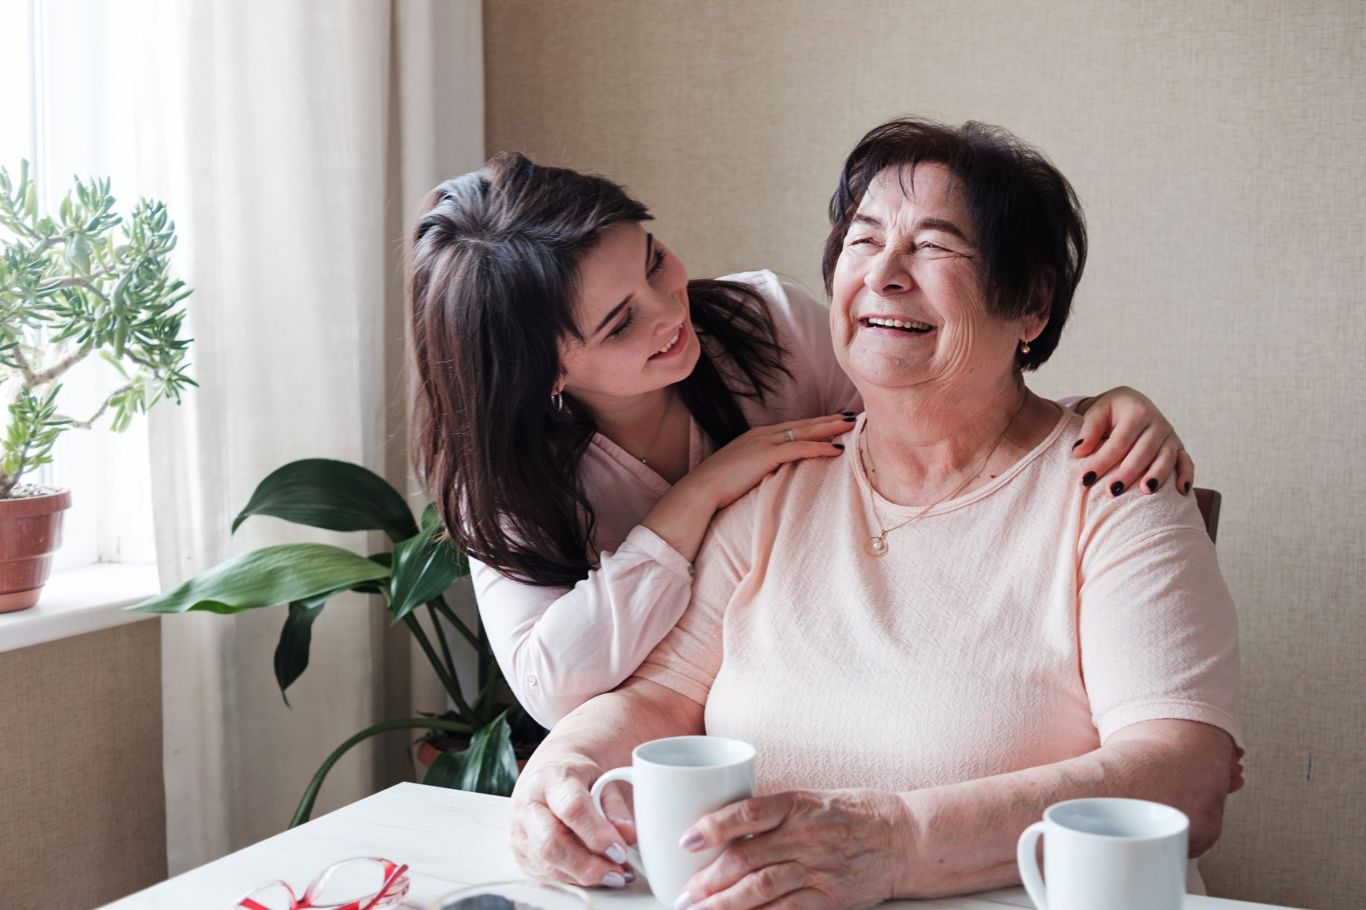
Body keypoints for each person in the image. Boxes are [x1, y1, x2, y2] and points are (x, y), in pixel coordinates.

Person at [507, 118, 1241, 908]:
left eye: (934, 246)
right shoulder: (779, 484)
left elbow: (1184, 775)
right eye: (863, 241)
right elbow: (657, 700)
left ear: (1030, 305)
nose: (884, 275)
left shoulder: (1116, 489)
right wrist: (562, 770)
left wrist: (897, 843)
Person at [409, 153, 1196, 729]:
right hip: (664, 747)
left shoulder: (761, 325)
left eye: (654, 262)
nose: (669, 309)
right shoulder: (503, 478)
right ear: (543, 372)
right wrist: (701, 495)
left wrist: (1096, 409)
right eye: (621, 324)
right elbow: (551, 687)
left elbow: (936, 416)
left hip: (843, 698)